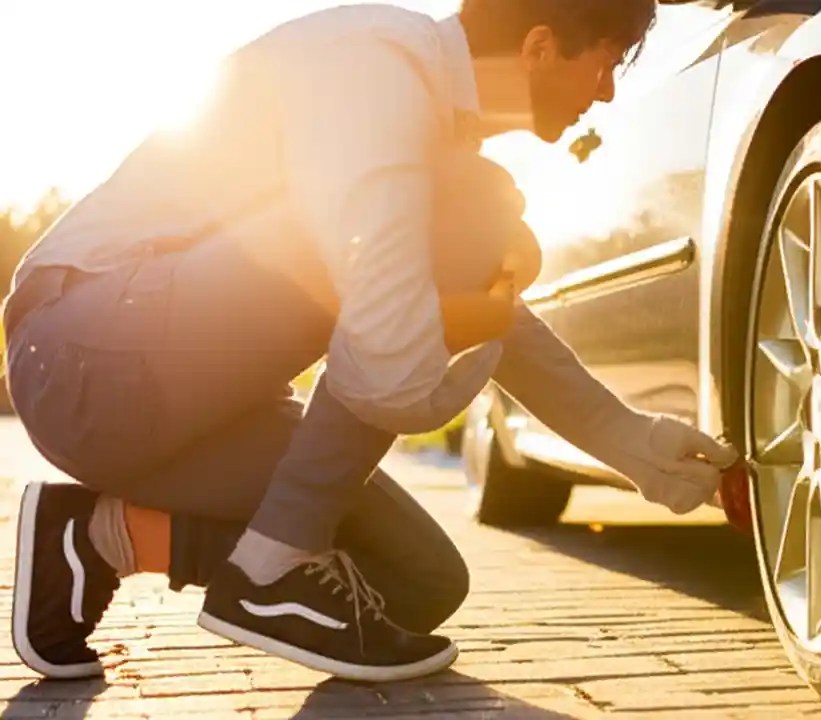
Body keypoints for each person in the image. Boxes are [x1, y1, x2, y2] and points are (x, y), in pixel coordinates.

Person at [3, 0, 738, 684]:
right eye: (607, 62)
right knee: (478, 216)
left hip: (186, 397)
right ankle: (268, 570)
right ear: (541, 47)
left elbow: (455, 308)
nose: (606, 92)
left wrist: (635, 444)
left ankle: (93, 540)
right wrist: (476, 298)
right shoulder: (381, 70)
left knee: (416, 580)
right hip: (84, 348)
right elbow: (394, 342)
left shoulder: (432, 136)